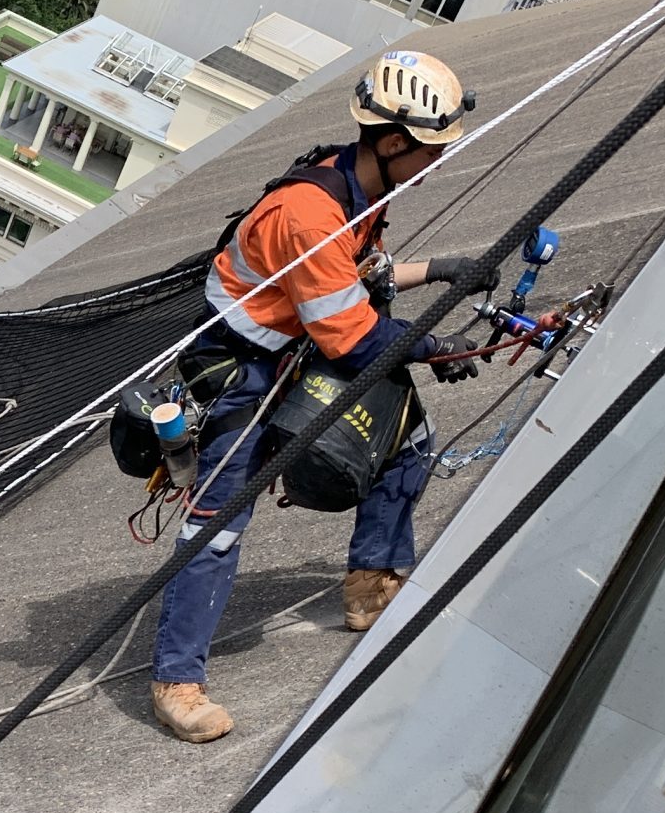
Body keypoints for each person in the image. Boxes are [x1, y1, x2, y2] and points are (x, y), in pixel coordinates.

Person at [150, 50, 498, 745]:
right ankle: (175, 680)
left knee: (408, 444)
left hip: (297, 349)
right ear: (392, 142)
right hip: (240, 374)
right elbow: (358, 342)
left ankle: (370, 589)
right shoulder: (308, 212)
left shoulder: (354, 186)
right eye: (429, 149)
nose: (435, 163)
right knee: (216, 525)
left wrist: (439, 270)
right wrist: (439, 347)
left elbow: (354, 275)